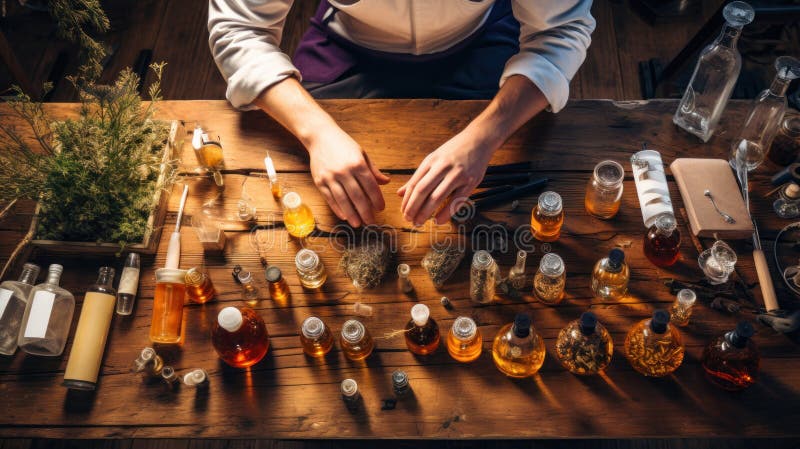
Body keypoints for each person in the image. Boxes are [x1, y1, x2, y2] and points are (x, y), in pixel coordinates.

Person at [208, 0, 595, 227]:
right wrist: (317, 133)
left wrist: (485, 136)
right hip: (348, 45)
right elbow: (238, 29)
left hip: (479, 41)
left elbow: (560, 32)